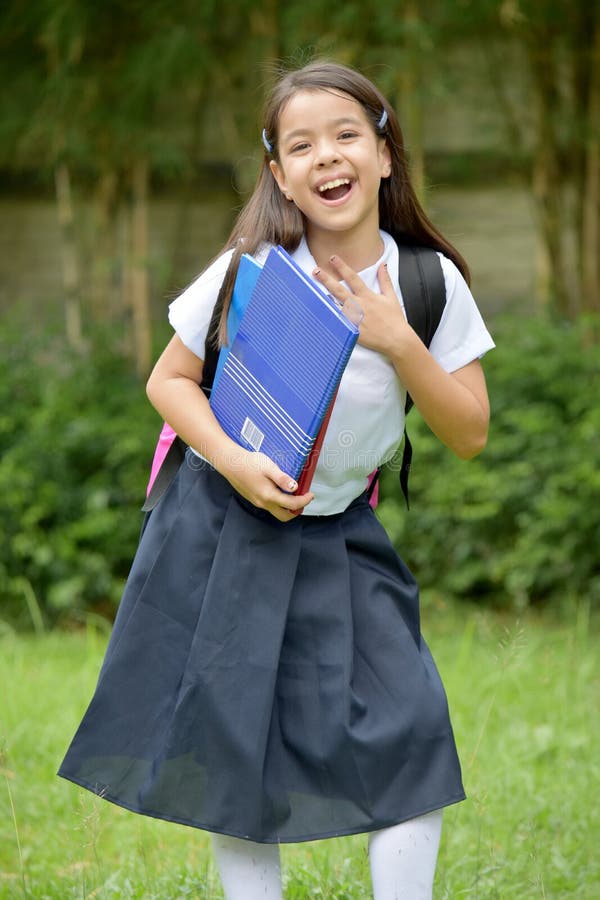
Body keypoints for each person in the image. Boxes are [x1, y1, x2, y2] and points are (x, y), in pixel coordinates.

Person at [59, 60, 494, 899]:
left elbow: (469, 432)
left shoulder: (428, 282)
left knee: (413, 733)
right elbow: (169, 381)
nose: (326, 157)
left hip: (341, 532)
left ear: (385, 153)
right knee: (233, 752)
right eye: (302, 145)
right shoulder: (251, 270)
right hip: (223, 528)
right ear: (279, 172)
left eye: (345, 136)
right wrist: (231, 460)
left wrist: (398, 340)